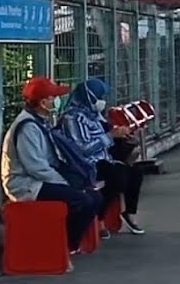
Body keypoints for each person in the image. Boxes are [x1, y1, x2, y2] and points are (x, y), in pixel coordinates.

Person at [0, 76, 98, 256]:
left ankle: (68, 243)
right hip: (26, 184)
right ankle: (66, 245)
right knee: (83, 201)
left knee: (93, 194)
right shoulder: (27, 127)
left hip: (41, 179)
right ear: (43, 102)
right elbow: (35, 167)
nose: (57, 101)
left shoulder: (39, 121)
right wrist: (62, 182)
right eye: (53, 98)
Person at [60, 78, 147, 235]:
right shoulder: (73, 118)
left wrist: (124, 137)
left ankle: (130, 213)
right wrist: (110, 136)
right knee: (117, 176)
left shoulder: (95, 116)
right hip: (85, 164)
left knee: (135, 173)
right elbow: (82, 149)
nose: (102, 101)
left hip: (104, 159)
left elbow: (107, 135)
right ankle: (98, 218)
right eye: (99, 97)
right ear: (89, 97)